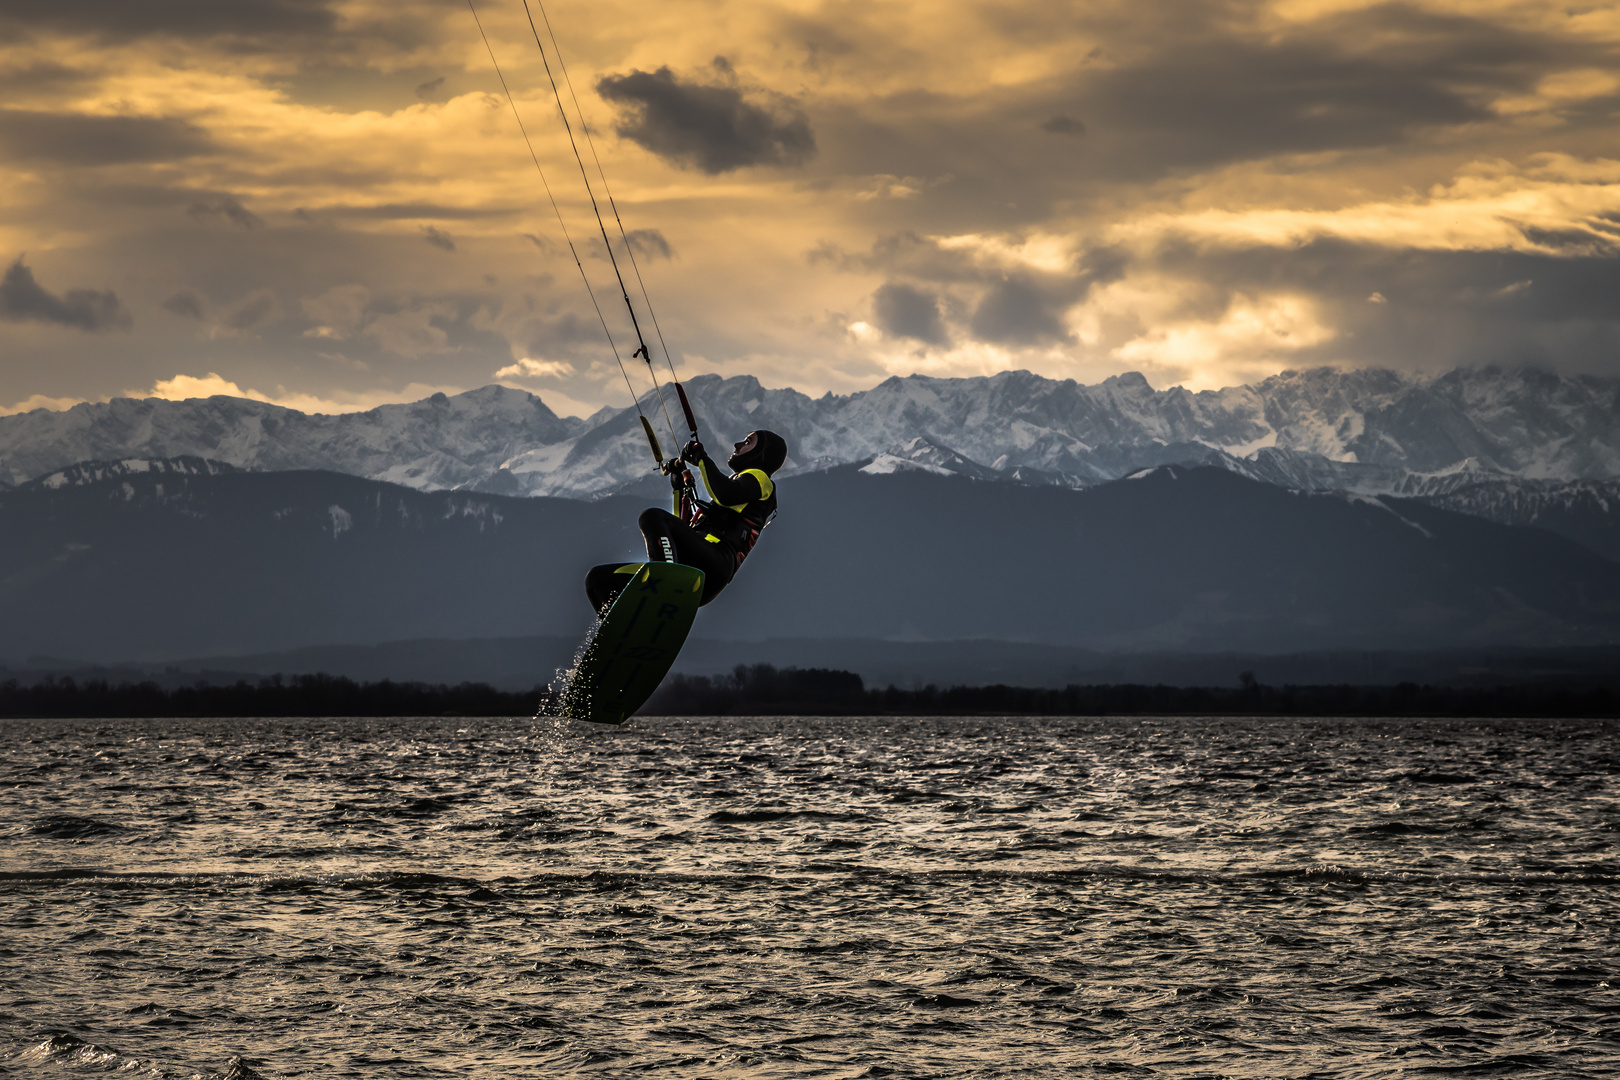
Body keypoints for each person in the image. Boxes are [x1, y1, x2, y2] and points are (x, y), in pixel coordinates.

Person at [585, 429, 787, 614]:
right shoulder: (740, 486)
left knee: (651, 516)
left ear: (762, 454)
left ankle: (664, 582)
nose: (737, 445)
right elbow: (682, 528)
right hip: (694, 566)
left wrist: (702, 458)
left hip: (713, 565)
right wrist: (678, 488)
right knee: (598, 580)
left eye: (747, 442)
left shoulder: (760, 478)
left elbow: (725, 494)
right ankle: (621, 630)